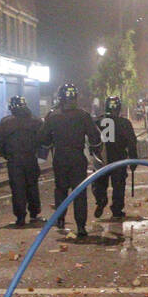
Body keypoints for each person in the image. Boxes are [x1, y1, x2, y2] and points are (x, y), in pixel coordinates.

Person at [40, 82, 102, 238]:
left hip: (60, 157)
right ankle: (81, 226)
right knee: (79, 192)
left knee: (60, 190)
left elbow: (43, 139)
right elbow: (95, 137)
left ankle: (60, 220)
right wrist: (96, 150)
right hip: (77, 157)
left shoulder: (52, 116)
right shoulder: (83, 115)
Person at [0, 95, 45, 227]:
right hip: (30, 159)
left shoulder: (6, 122)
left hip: (14, 160)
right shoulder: (35, 121)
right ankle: (34, 214)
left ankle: (20, 217)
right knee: (32, 186)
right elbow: (43, 139)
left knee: (17, 188)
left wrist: (7, 155)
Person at [93, 95, 138, 219]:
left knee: (99, 183)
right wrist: (133, 160)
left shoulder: (98, 121)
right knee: (119, 185)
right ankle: (117, 209)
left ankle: (101, 200)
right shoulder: (124, 123)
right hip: (119, 159)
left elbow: (92, 139)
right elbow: (132, 142)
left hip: (103, 159)